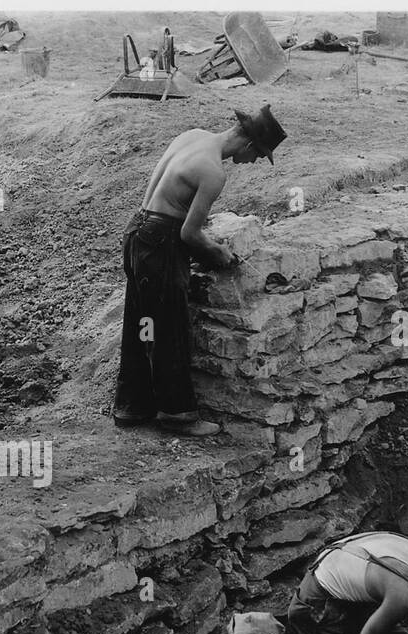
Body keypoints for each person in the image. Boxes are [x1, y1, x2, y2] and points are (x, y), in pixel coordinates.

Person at [113, 105, 286, 437]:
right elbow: (188, 234)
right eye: (259, 156)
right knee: (169, 328)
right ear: (249, 146)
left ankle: (132, 407)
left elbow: (166, 202)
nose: (253, 163)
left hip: (137, 231)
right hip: (161, 242)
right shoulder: (213, 173)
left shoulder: (193, 136)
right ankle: (178, 414)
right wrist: (216, 251)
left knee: (141, 322)